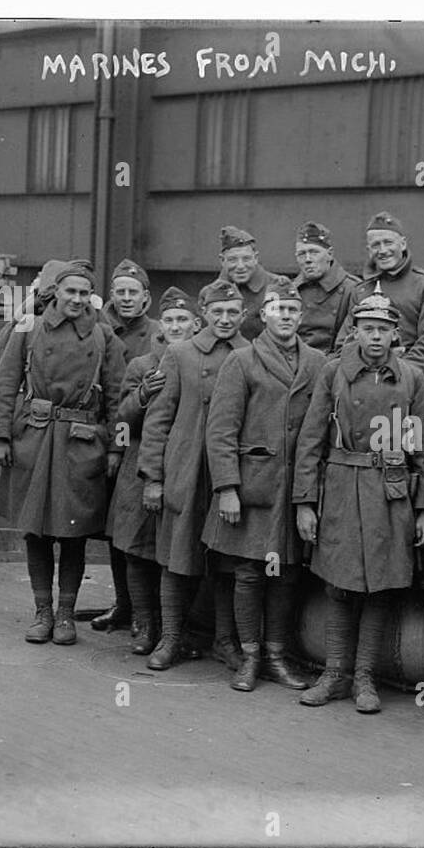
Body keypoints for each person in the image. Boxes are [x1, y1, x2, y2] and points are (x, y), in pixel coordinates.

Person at [292, 294, 424, 713]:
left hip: (391, 494)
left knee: (380, 587)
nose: (375, 336)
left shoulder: (412, 378)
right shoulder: (334, 373)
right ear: (355, 331)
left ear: (395, 334)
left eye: (383, 329)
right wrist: (305, 502)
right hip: (339, 488)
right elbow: (310, 441)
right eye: (367, 328)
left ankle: (365, 677)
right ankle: (335, 673)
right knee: (339, 584)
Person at [0, 260, 126, 645]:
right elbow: (6, 383)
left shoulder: (104, 336)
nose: (77, 299)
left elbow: (116, 397)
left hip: (81, 444)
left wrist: (116, 445)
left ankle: (66, 615)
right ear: (57, 293)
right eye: (70, 292)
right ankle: (42, 612)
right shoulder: (28, 328)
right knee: (36, 532)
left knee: (74, 533)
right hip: (34, 438)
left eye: (84, 293)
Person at [205, 277, 325, 692]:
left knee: (286, 573)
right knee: (250, 572)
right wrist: (226, 488)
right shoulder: (242, 361)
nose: (285, 317)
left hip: (294, 488)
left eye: (292, 310)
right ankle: (249, 655)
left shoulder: (317, 363)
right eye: (277, 310)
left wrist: (309, 493)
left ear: (301, 316)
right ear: (264, 315)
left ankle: (276, 656)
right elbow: (221, 430)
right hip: (252, 489)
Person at [138, 282, 247, 671]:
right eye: (217, 311)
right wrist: (153, 477)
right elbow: (158, 420)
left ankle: (224, 640)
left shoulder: (250, 356)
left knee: (226, 559)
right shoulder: (180, 354)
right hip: (185, 470)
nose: (224, 319)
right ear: (205, 311)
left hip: (229, 474)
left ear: (244, 315)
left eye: (233, 312)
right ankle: (170, 638)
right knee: (174, 555)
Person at [108, 287, 199, 654]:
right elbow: (122, 417)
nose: (176, 326)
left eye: (183, 320)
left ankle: (174, 630)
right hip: (140, 465)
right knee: (136, 548)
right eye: (171, 320)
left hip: (182, 466)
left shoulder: (200, 361)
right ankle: (144, 624)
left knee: (175, 549)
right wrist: (142, 395)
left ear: (196, 323)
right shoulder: (142, 364)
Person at [91, 258, 157, 633]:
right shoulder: (100, 330)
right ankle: (123, 603)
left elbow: (128, 402)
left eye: (134, 292)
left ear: (147, 297)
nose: (127, 299)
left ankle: (144, 611)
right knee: (114, 530)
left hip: (137, 443)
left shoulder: (158, 333)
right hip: (99, 436)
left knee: (135, 530)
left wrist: (118, 448)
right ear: (111, 295)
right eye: (120, 292)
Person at [332, 211, 424, 377]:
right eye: (375, 245)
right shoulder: (361, 291)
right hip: (361, 378)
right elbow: (344, 344)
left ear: (402, 244)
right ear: (368, 250)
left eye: (388, 242)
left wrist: (393, 372)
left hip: (407, 377)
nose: (383, 250)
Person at [294, 220, 358, 354]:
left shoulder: (352, 289)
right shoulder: (291, 291)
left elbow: (351, 343)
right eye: (301, 254)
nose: (307, 259)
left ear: (329, 254)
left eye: (314, 252)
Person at [217, 226, 280, 341]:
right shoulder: (212, 292)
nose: (240, 266)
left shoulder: (276, 287)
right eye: (232, 260)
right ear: (222, 261)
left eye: (246, 259)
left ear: (255, 258)